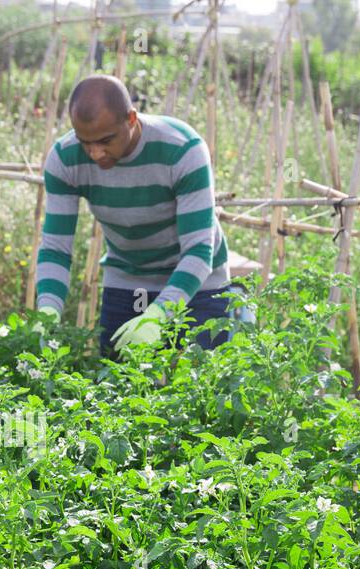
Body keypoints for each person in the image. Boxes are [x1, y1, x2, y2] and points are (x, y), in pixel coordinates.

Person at [34, 75, 240, 358]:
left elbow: (198, 250)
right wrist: (48, 311)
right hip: (129, 280)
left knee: (204, 385)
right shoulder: (65, 159)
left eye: (106, 140)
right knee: (116, 389)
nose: (95, 153)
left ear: (131, 119)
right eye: (85, 142)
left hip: (199, 284)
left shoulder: (182, 149)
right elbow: (56, 249)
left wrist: (157, 316)